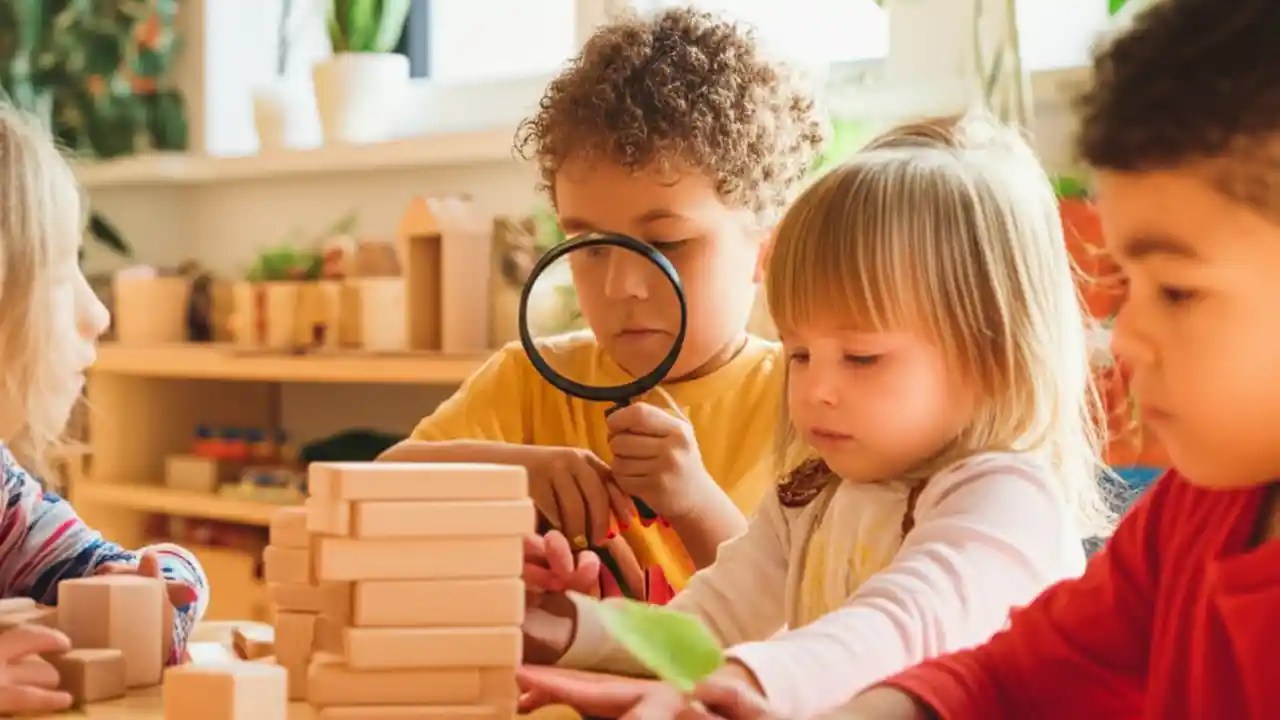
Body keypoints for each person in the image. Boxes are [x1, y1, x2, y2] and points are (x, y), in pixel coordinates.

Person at [516, 112, 1112, 720]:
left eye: (862, 357)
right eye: (799, 353)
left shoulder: (1007, 503)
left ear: (995, 358)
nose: (816, 389)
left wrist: (747, 679)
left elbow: (898, 626)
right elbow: (707, 624)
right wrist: (571, 628)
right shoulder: (811, 496)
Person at [802, 1, 1280, 718]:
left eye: (1177, 291)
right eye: (1128, 283)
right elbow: (1003, 681)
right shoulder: (1194, 511)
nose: (1125, 337)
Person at [380, 6, 825, 601]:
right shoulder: (529, 383)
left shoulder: (811, 404)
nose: (621, 285)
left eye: (666, 244)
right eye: (589, 247)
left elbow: (803, 615)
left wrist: (696, 503)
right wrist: (516, 471)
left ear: (765, 251)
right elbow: (375, 492)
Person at [0, 106, 207, 714]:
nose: (100, 313)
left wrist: (152, 591)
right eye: (59, 271)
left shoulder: (6, 502)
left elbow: (123, 567)